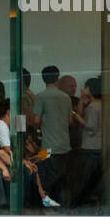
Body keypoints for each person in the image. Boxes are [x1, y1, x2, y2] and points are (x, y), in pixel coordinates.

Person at [32, 64, 73, 205]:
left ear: (43, 79)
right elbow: (70, 121)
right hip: (65, 145)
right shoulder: (66, 97)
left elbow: (36, 120)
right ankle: (63, 204)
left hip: (47, 146)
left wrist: (39, 125)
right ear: (57, 78)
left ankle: (49, 204)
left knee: (46, 176)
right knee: (62, 177)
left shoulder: (41, 97)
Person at [71, 77, 103, 206]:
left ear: (90, 89)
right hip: (98, 145)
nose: (83, 89)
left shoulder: (92, 107)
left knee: (87, 176)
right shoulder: (99, 104)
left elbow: (91, 128)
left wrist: (78, 119)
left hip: (90, 145)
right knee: (95, 175)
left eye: (85, 87)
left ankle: (86, 199)